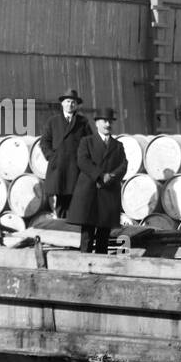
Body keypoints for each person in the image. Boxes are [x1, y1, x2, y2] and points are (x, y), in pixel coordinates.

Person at [67, 107, 128, 254]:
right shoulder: (86, 141)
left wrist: (112, 176)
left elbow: (123, 164)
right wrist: (101, 175)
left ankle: (101, 267)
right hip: (89, 192)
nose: (107, 124)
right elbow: (82, 161)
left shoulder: (118, 146)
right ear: (97, 123)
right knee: (87, 234)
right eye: (104, 121)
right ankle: (85, 265)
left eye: (110, 121)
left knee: (103, 236)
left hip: (108, 193)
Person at [40, 88, 94, 218]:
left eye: (73, 102)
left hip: (76, 168)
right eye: (68, 101)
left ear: (76, 105)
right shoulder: (53, 121)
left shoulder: (83, 122)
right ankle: (62, 233)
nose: (70, 104)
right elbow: (44, 141)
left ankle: (75, 233)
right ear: (62, 103)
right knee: (61, 204)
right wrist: (51, 157)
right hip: (60, 168)